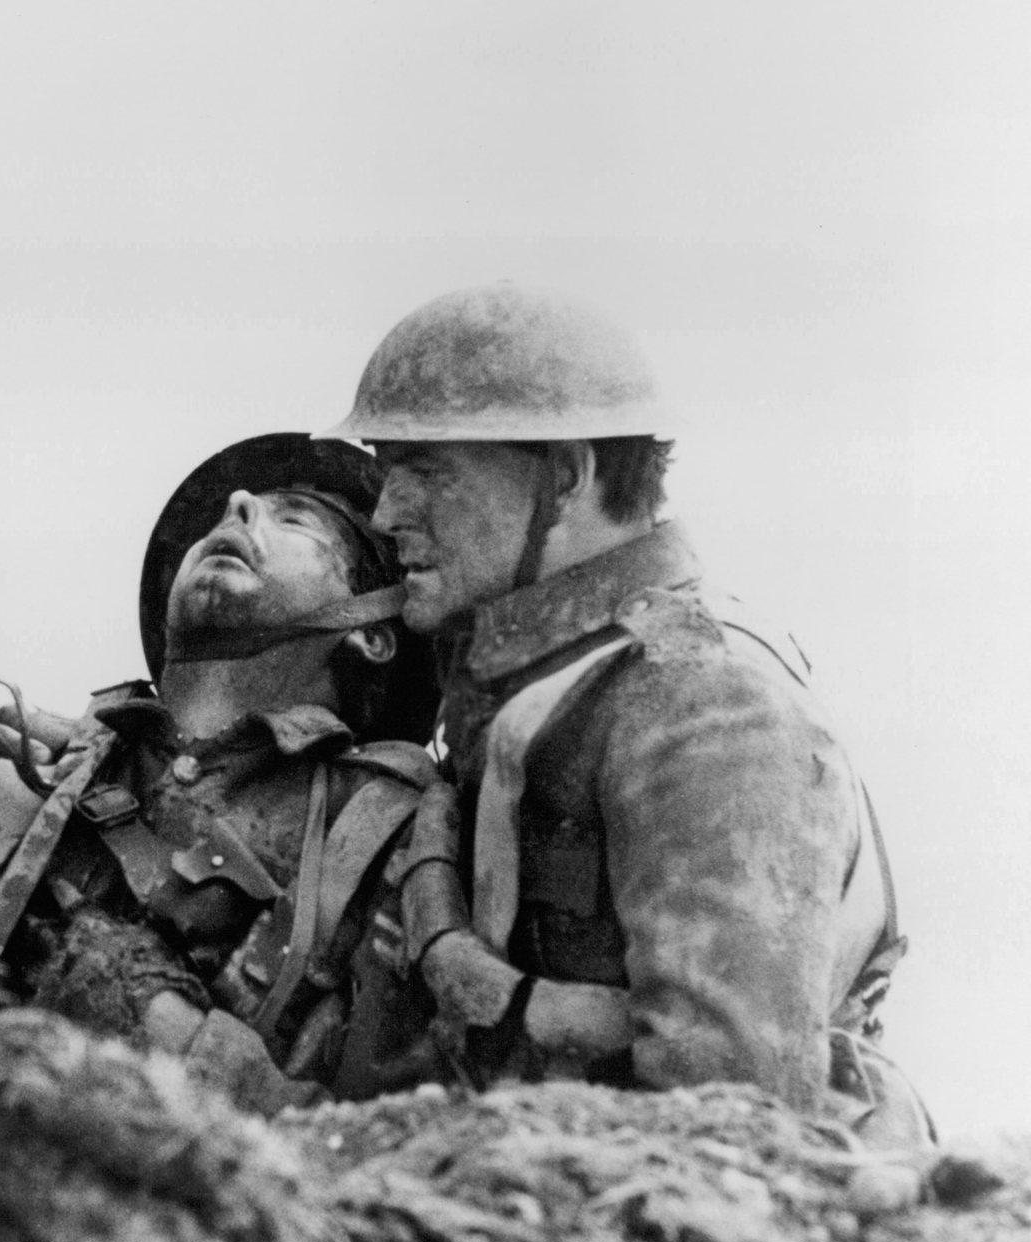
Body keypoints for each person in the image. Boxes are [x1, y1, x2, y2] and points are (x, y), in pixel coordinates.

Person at [315, 282, 929, 1143]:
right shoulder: (537, 685)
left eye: (425, 470)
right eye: (386, 469)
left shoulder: (702, 701)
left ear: (566, 476)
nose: (386, 511)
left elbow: (733, 1120)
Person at [0, 433, 443, 1112]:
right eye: (232, 511)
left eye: (292, 518)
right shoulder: (22, 783)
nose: (236, 507)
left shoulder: (389, 829)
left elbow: (393, 1132)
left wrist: (169, 1031)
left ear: (373, 633)